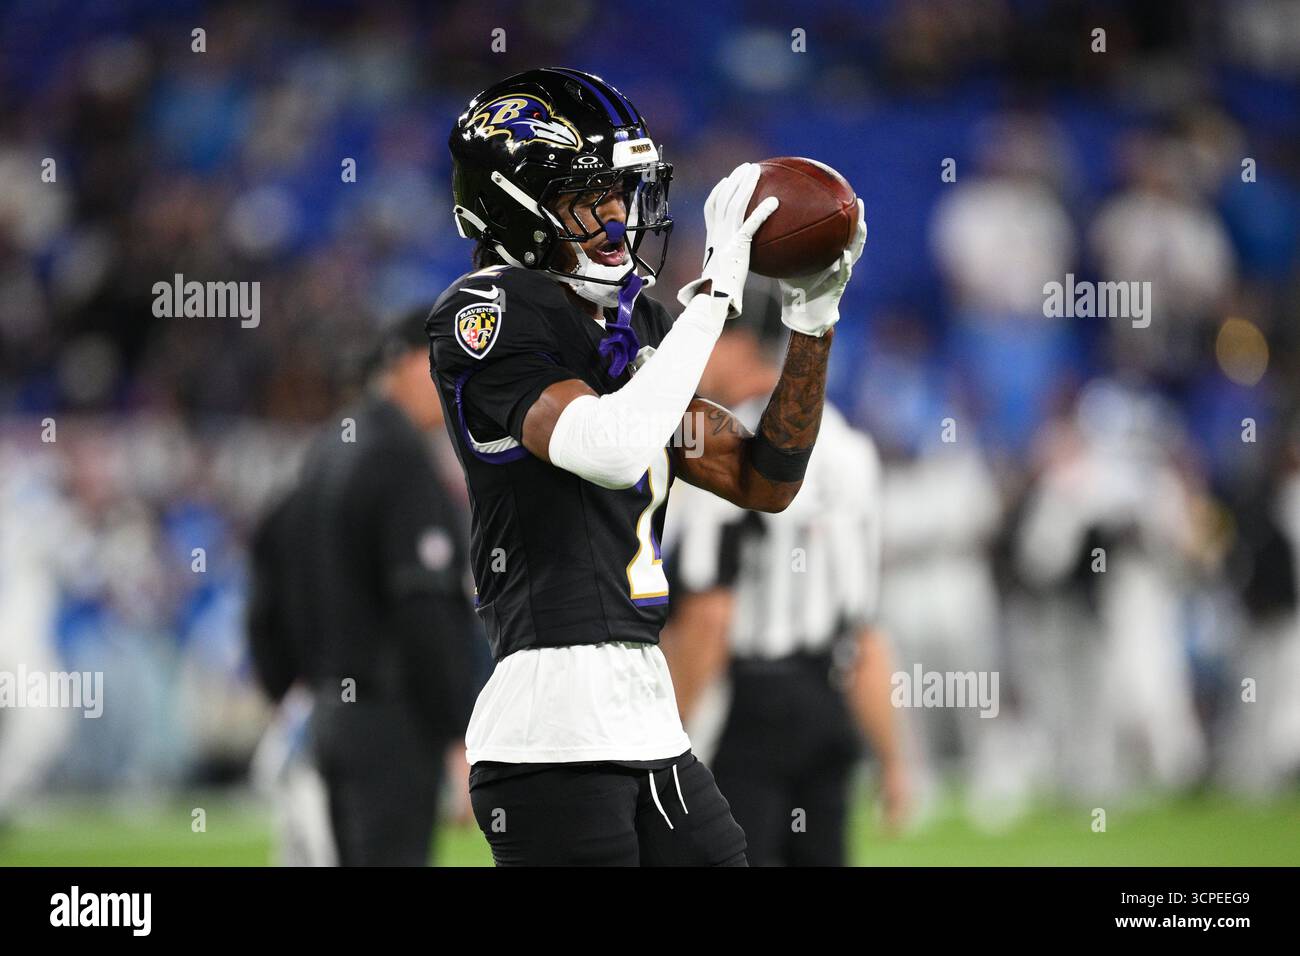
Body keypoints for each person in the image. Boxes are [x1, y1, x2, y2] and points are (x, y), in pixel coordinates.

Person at [427, 68, 866, 866]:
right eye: (585, 198)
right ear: (513, 207)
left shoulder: (635, 326)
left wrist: (812, 320)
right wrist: (716, 296)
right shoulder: (485, 311)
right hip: (551, 724)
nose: (616, 219)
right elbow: (609, 445)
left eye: (622, 192)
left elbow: (764, 479)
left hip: (645, 713)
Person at [662, 320, 908, 866]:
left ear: (742, 342)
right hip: (827, 699)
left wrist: (669, 739)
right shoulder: (853, 449)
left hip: (748, 708)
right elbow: (863, 629)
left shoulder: (722, 445)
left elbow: (709, 616)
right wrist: (893, 760)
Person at [247, 310, 477, 866]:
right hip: (391, 720)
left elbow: (267, 587)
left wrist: (290, 689)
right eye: (442, 366)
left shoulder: (329, 449)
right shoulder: (399, 460)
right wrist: (459, 733)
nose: (453, 386)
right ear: (404, 362)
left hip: (331, 714)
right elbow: (425, 611)